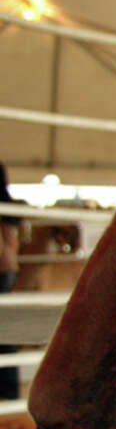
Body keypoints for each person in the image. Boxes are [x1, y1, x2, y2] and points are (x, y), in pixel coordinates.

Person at [0, 163, 22, 399]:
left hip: (2, 269)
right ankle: (9, 391)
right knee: (4, 334)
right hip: (8, 269)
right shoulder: (8, 208)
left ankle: (8, 392)